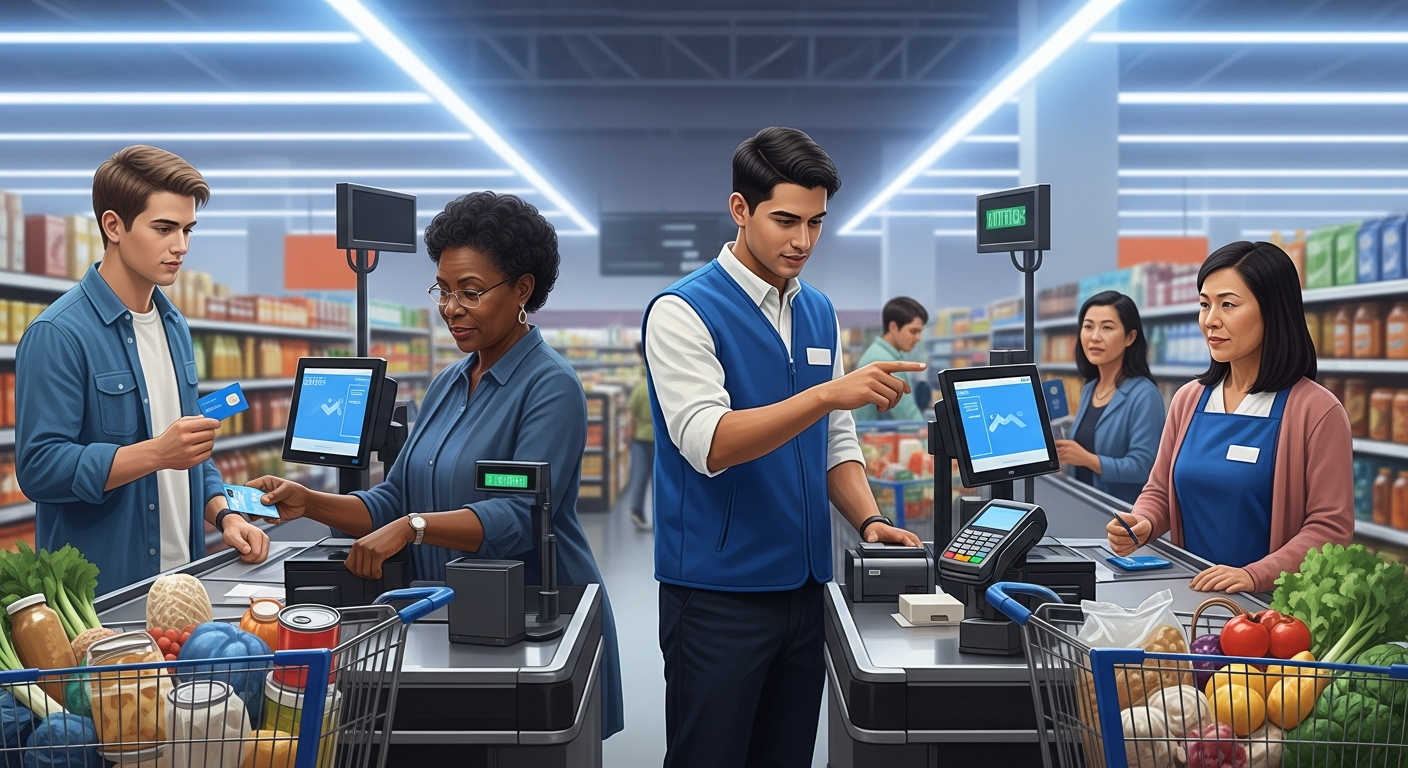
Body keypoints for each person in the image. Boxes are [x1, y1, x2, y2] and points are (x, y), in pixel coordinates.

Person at [248, 192, 624, 739]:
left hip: (528, 622)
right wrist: (311, 502)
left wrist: (415, 529)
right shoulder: (449, 384)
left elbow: (516, 517)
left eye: (470, 292)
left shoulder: (550, 387)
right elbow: (396, 497)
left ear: (522, 289)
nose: (451, 308)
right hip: (437, 616)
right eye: (443, 290)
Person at [643, 127, 924, 768]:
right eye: (786, 220)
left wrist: (869, 519)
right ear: (740, 210)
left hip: (804, 589)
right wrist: (826, 395)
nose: (802, 241)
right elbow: (708, 442)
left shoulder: (819, 311)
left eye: (817, 223)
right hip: (717, 597)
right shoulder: (683, 310)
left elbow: (836, 441)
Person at [15, 145, 270, 595]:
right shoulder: (58, 333)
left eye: (188, 229)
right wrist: (155, 453)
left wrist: (223, 515)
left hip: (184, 583)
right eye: (164, 228)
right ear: (113, 225)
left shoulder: (175, 326)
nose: (181, 246)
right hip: (106, 597)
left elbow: (188, 452)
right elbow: (39, 468)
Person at [1108, 242, 1354, 594]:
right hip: (1189, 595)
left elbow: (1330, 529)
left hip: (1269, 611)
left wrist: (1255, 575)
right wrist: (1143, 521)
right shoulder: (1188, 399)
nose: (1210, 320)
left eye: (1228, 304)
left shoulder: (1316, 411)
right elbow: (1160, 490)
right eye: (1204, 304)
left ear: (1273, 310)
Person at [1055, 291, 1164, 503]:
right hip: (1082, 505)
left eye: (1107, 327)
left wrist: (1087, 459)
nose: (1095, 336)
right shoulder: (1090, 388)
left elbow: (1143, 468)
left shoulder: (1145, 395)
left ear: (1130, 337)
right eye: (1088, 327)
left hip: (1119, 518)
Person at [851, 296, 929, 423]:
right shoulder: (885, 361)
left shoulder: (879, 352)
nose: (918, 338)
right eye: (913, 331)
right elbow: (908, 417)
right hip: (873, 437)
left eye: (920, 332)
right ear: (893, 327)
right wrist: (929, 439)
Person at [625, 342, 654, 530]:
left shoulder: (639, 388)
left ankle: (637, 510)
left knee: (640, 476)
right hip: (659, 440)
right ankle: (659, 516)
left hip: (640, 438)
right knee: (658, 480)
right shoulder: (658, 388)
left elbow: (631, 415)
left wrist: (629, 436)